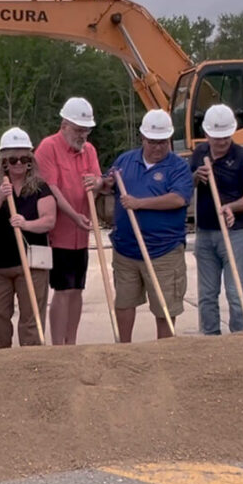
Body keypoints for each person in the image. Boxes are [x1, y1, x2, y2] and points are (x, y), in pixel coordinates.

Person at [99, 109, 193, 342]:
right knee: (124, 302)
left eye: (163, 142)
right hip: (126, 250)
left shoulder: (178, 167)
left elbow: (178, 199)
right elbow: (109, 183)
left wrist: (140, 203)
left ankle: (164, 351)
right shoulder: (125, 160)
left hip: (163, 251)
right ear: (143, 138)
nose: (158, 147)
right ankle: (124, 348)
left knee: (165, 307)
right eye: (153, 142)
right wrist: (104, 183)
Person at [0, 128, 56, 348]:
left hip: (31, 264)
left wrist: (26, 224)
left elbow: (49, 220)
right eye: (13, 159)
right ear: (4, 162)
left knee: (32, 318)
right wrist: (0, 198)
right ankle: (5, 353)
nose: (19, 164)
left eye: (24, 159)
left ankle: (31, 361)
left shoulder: (40, 188)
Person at [34, 97, 103, 345]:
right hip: (58, 233)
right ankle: (58, 344)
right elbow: (52, 189)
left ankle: (71, 342)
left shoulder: (90, 150)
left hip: (81, 235)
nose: (83, 135)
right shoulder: (48, 148)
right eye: (78, 129)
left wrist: (96, 184)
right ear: (64, 125)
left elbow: (98, 180)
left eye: (86, 130)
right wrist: (74, 216)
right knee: (62, 290)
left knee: (77, 289)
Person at [189, 104, 243, 334]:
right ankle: (210, 340)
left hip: (236, 233)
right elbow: (185, 186)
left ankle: (240, 340)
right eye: (217, 137)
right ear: (207, 133)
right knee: (207, 295)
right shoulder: (199, 153)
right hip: (205, 232)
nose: (221, 142)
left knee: (235, 292)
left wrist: (232, 207)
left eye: (226, 137)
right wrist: (195, 177)